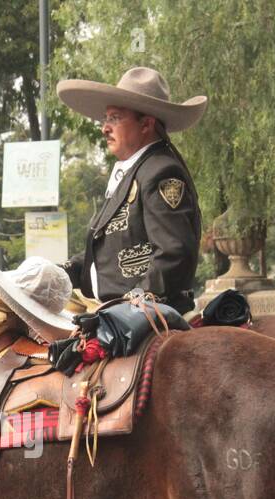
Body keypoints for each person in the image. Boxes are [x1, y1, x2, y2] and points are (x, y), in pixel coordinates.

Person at [55, 67, 207, 315]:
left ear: (146, 124)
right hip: (119, 310)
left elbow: (173, 252)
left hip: (146, 314)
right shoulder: (138, 170)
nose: (104, 128)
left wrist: (131, 305)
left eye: (114, 118)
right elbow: (108, 254)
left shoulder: (161, 172)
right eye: (106, 119)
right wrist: (59, 272)